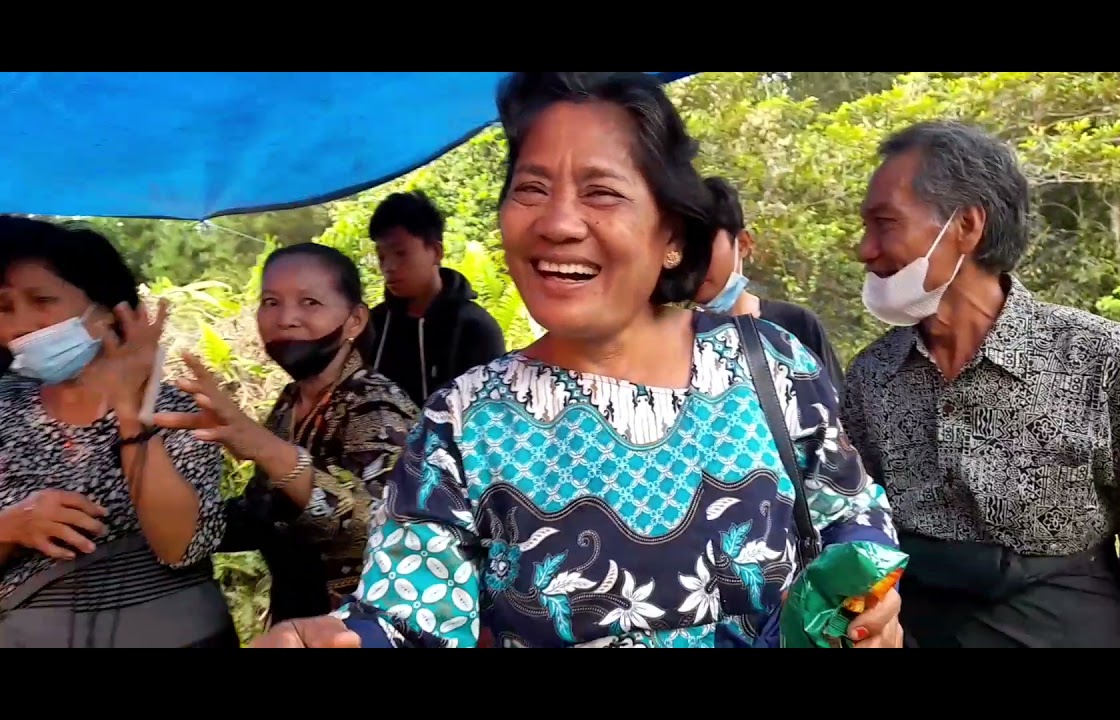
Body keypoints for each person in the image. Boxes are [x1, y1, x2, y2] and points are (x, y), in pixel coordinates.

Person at [251, 71, 902, 649]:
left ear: (671, 236)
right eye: (531, 188)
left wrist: (868, 603)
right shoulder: (464, 423)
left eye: (601, 192)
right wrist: (344, 638)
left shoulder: (770, 365)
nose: (558, 222)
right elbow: (409, 621)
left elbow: (852, 511)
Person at [841, 120, 1120, 648]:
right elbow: (860, 536)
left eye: (884, 223)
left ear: (967, 225)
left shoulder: (1107, 363)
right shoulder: (873, 376)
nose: (865, 249)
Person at [153, 243, 419, 623]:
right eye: (271, 302)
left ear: (355, 321)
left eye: (309, 302)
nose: (285, 318)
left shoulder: (375, 404)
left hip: (363, 628)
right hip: (296, 620)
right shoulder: (291, 401)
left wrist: (262, 446)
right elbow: (263, 513)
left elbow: (378, 524)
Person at [0, 217, 233, 647]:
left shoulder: (177, 411)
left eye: (42, 300)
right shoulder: (5, 409)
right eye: (4, 308)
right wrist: (11, 527)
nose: (21, 324)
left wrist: (131, 413)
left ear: (109, 313)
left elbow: (181, 547)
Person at [693, 176, 845, 394]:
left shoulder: (796, 326)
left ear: (743, 245)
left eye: (703, 246)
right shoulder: (674, 341)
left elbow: (839, 414)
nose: (693, 262)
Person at [367, 190, 507, 406]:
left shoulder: (474, 329)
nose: (388, 267)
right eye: (381, 256)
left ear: (436, 251)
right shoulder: (374, 325)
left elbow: (488, 413)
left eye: (401, 253)